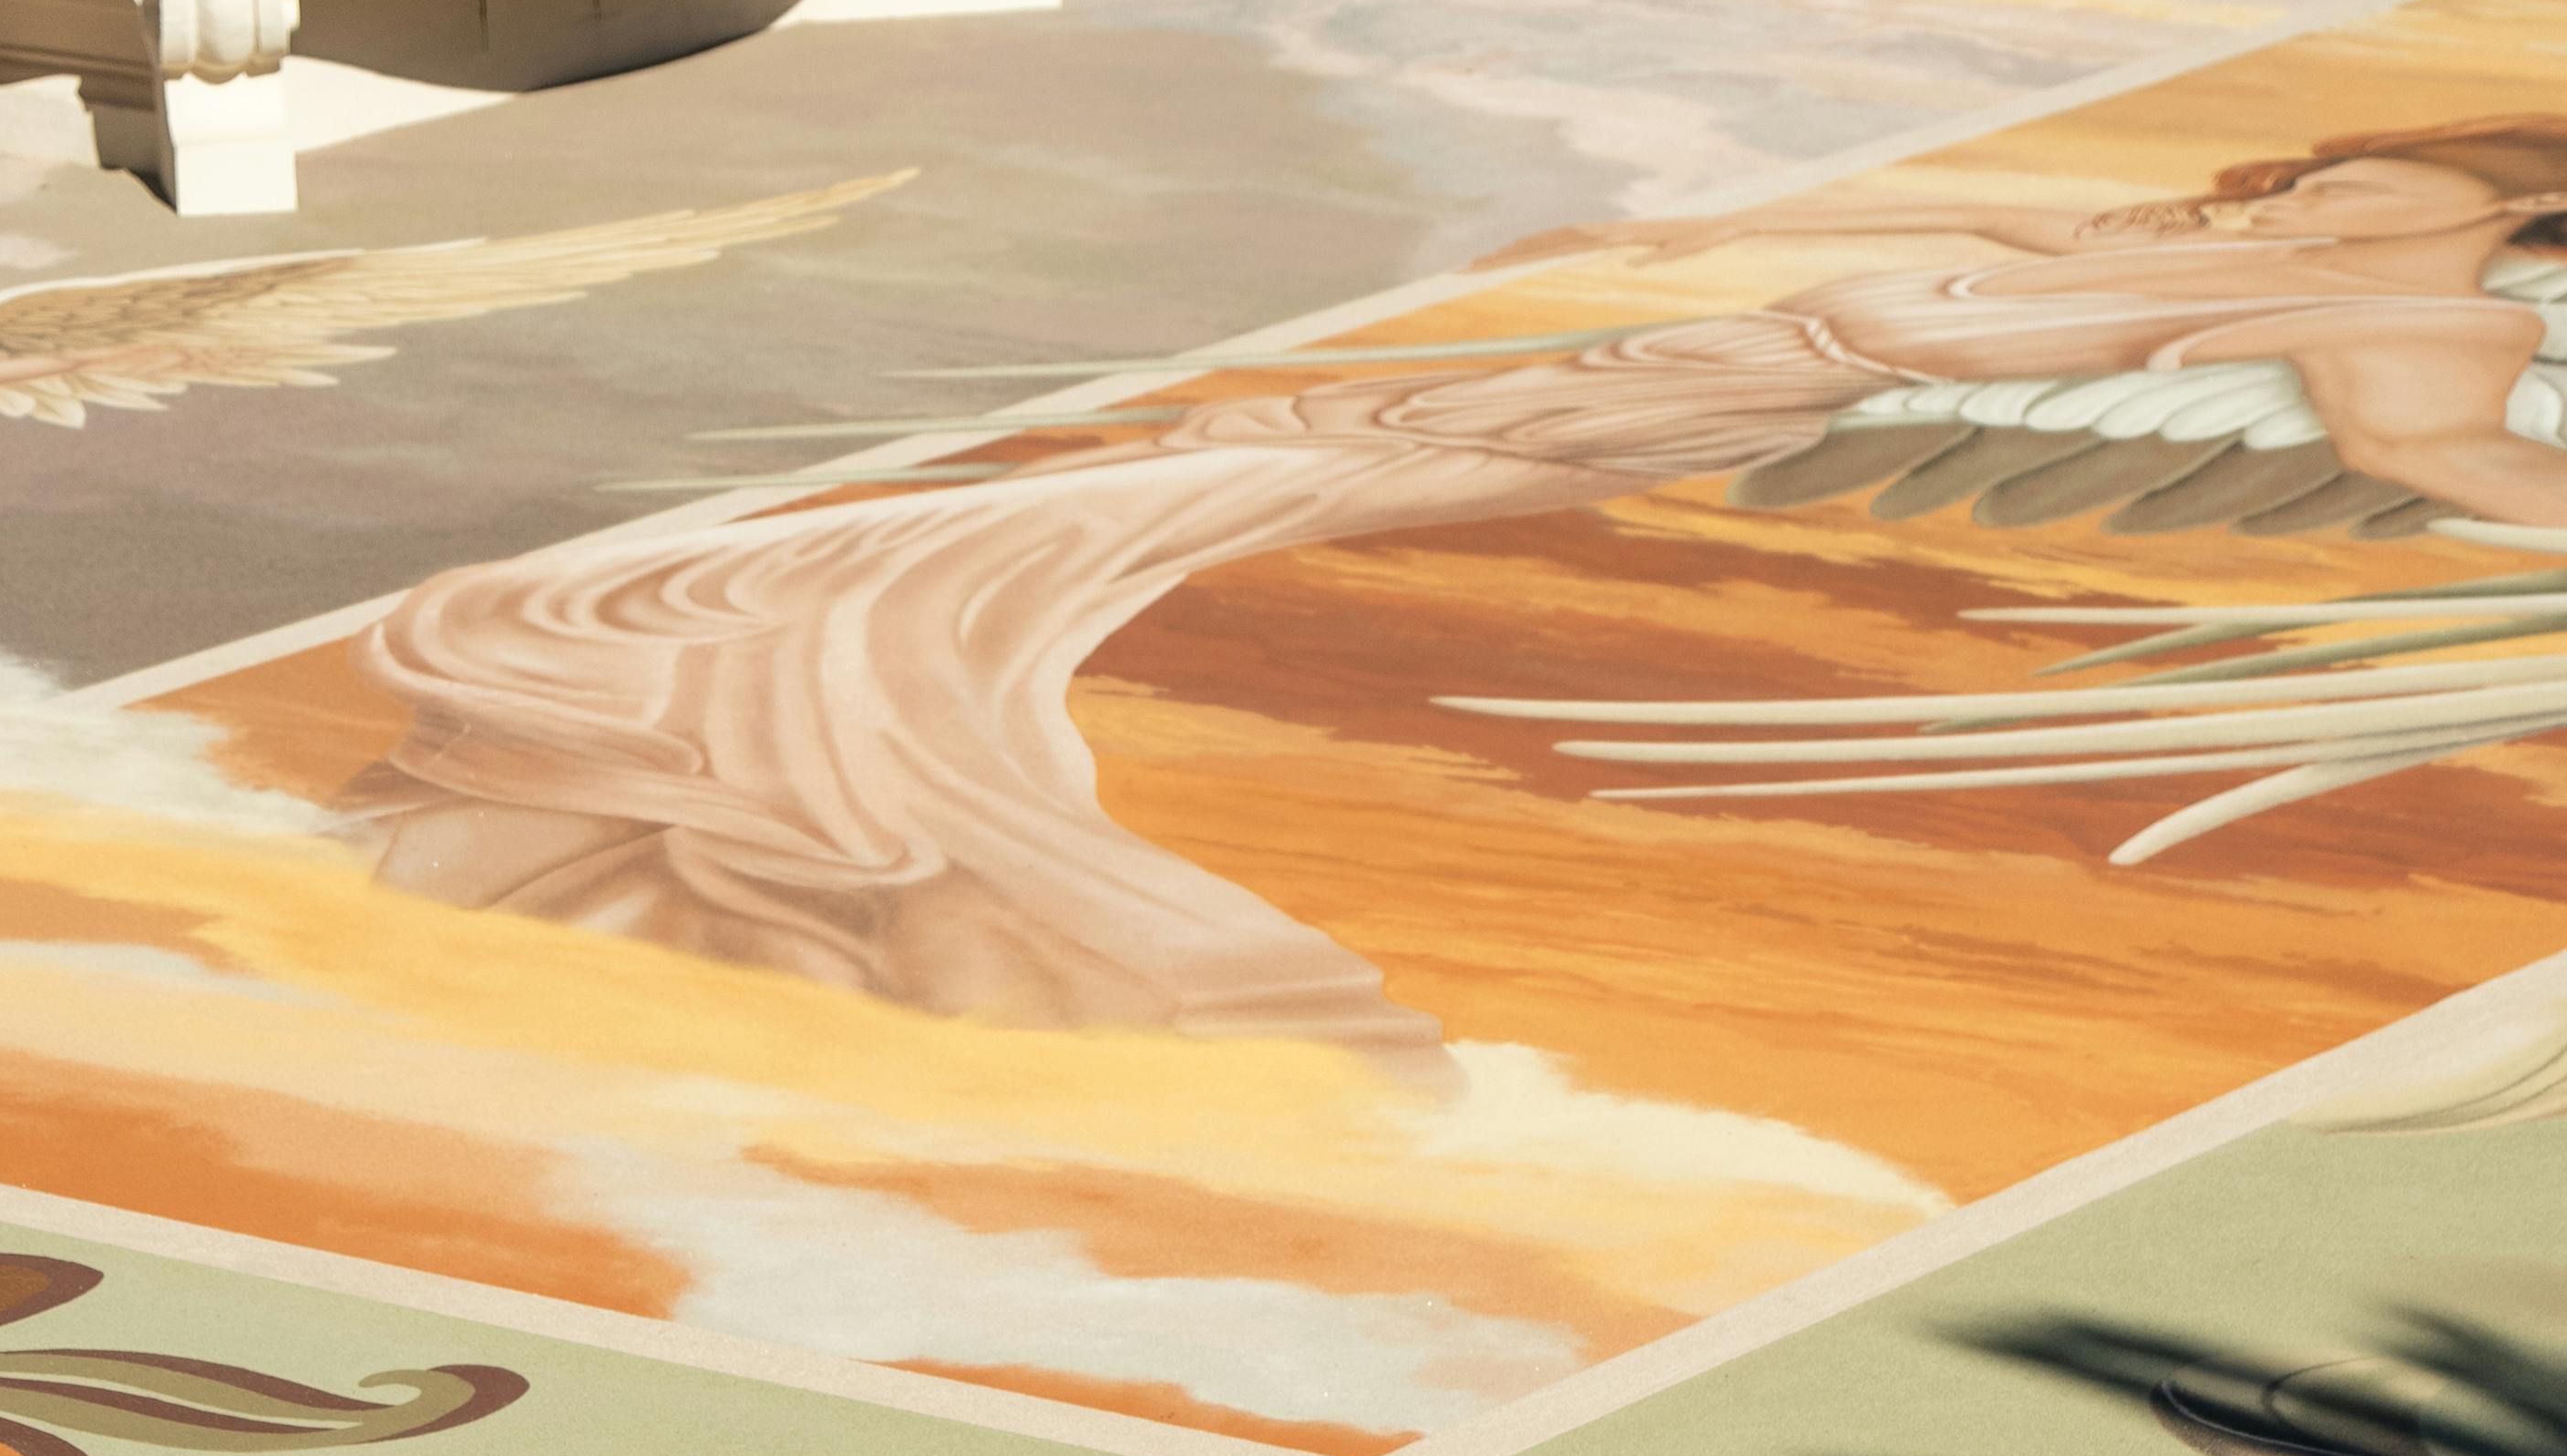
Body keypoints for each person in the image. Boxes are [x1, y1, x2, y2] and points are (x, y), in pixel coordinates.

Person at [354, 120, 2567, 1053]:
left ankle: (1054, 947)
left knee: (856, 607)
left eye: (2389, 168)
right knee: (849, 592)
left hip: (1562, 433)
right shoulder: (2244, 240)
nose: (2316, 172)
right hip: (1513, 398)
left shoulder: (2425, 316)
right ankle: (764, 856)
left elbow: (2430, 458)